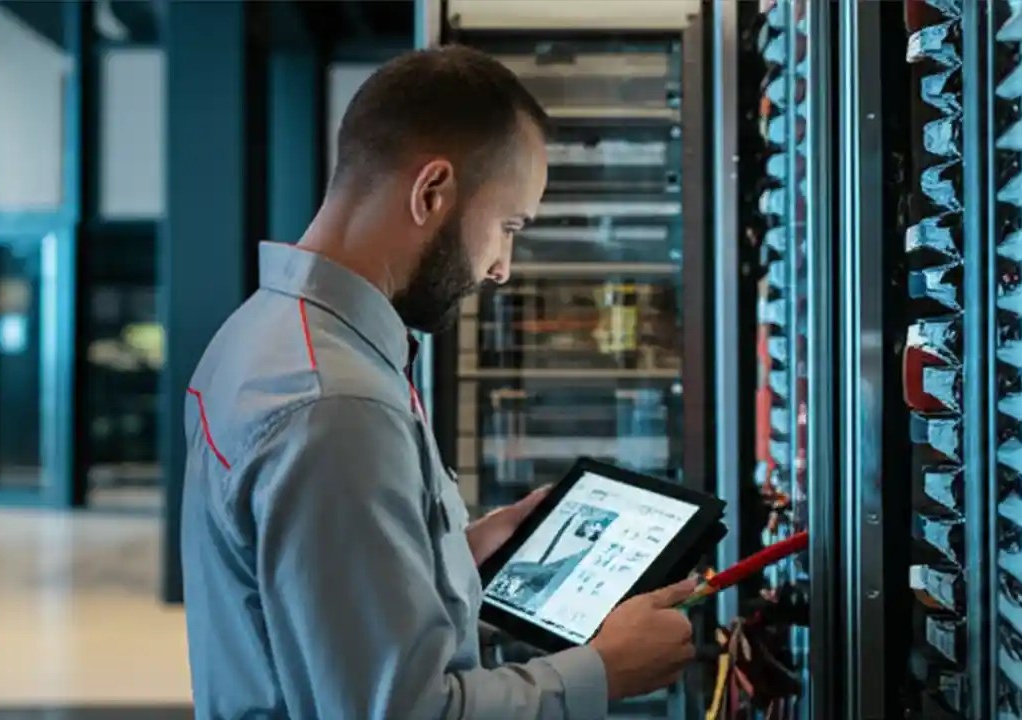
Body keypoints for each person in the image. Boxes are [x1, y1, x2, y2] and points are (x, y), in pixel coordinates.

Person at [180, 45, 697, 720]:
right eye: (508, 226)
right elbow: (403, 712)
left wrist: (455, 557)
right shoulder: (335, 402)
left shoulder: (268, 335)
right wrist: (602, 671)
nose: (502, 267)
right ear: (432, 192)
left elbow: (304, 615)